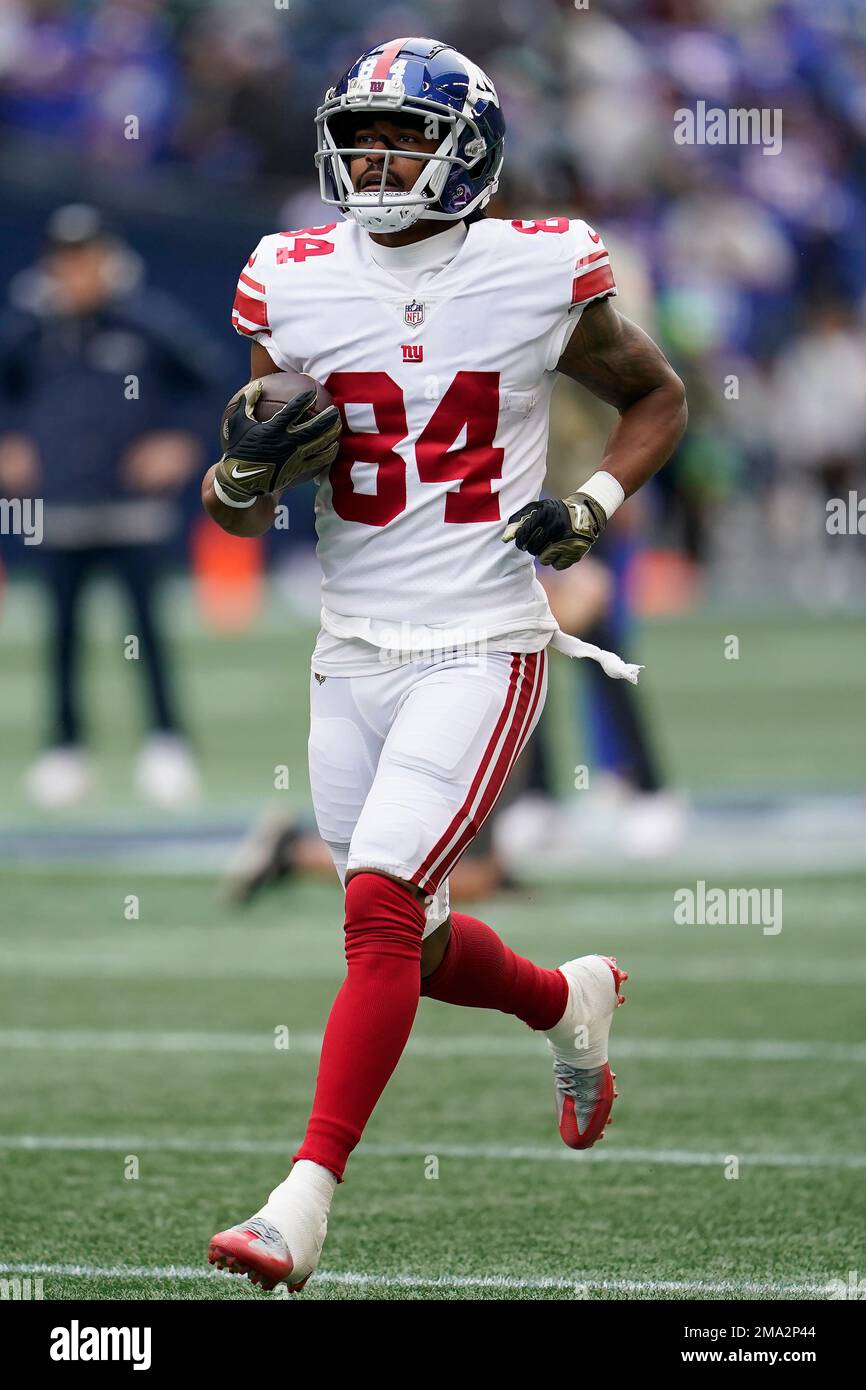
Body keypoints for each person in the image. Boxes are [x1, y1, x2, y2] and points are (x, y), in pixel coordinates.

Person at [202, 38, 686, 1292]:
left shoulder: (535, 267)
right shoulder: (291, 276)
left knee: (372, 908)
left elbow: (656, 396)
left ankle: (298, 1200)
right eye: (359, 136)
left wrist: (584, 505)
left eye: (400, 139)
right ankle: (563, 1000)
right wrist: (242, 476)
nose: (373, 160)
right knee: (408, 935)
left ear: (464, 150)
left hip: (478, 636)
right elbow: (249, 497)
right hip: (348, 643)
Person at [0, 204, 224, 807]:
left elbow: (209, 387)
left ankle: (166, 743)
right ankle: (64, 748)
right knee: (62, 635)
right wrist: (11, 439)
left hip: (132, 512)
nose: (75, 271)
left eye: (86, 257)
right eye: (64, 259)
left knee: (146, 632)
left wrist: (179, 441)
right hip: (61, 509)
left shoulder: (147, 324)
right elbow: (10, 395)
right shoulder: (28, 331)